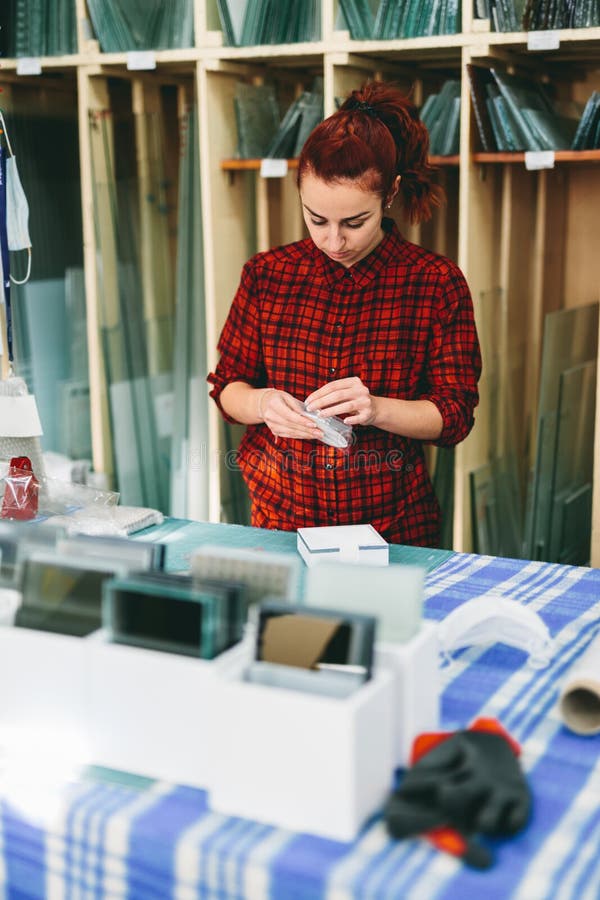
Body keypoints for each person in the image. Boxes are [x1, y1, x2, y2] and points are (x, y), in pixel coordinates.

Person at [207, 80, 481, 547]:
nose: (334, 242)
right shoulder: (266, 275)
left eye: (355, 223)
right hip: (281, 521)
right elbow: (226, 386)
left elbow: (454, 415)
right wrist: (263, 404)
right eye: (317, 220)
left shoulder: (434, 283)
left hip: (392, 529)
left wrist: (376, 409)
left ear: (390, 194)